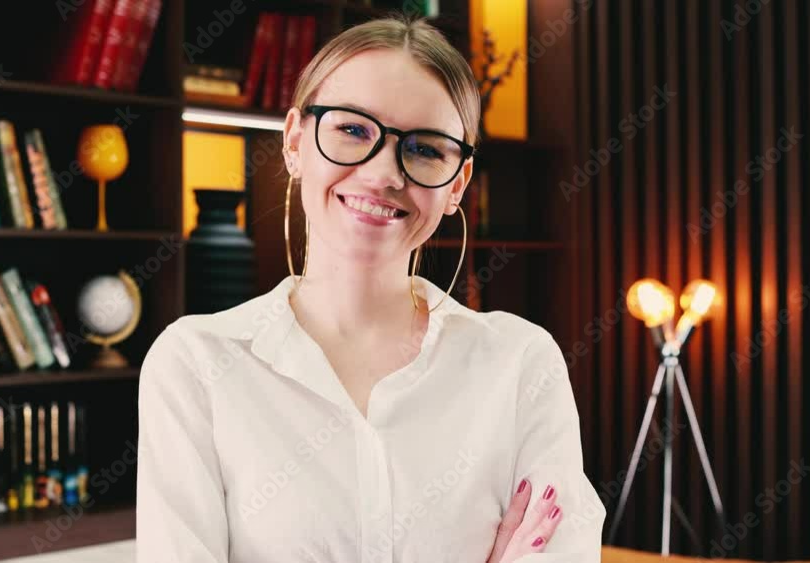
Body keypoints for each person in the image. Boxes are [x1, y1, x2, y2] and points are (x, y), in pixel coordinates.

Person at [137, 16, 605, 563]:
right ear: (293, 141)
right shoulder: (196, 362)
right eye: (353, 130)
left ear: (458, 184)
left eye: (426, 149)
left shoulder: (521, 362)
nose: (385, 173)